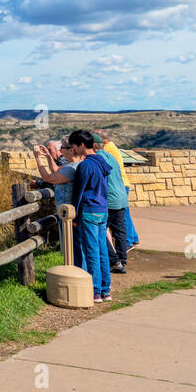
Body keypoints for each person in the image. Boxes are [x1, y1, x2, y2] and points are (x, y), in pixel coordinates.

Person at [69, 129, 112, 302]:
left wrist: (75, 215)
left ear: (81, 145)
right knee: (102, 250)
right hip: (102, 210)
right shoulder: (101, 161)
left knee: (91, 251)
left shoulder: (85, 165)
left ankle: (95, 290)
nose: (73, 150)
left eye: (74, 147)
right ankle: (105, 289)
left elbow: (78, 192)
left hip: (89, 210)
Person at [32, 139, 82, 267]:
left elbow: (49, 178)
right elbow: (56, 170)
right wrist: (48, 156)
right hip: (66, 211)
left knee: (71, 247)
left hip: (68, 213)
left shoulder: (72, 168)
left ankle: (74, 273)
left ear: (71, 150)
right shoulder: (70, 165)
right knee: (71, 246)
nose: (60, 151)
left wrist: (37, 158)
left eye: (62, 148)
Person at [97, 130, 140, 249]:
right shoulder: (111, 147)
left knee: (123, 216)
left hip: (118, 185)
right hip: (122, 185)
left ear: (102, 139)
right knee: (125, 214)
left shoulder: (106, 149)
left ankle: (128, 241)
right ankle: (133, 238)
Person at [94, 137, 130, 273]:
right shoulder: (111, 156)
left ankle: (114, 261)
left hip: (109, 199)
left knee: (99, 230)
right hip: (121, 197)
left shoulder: (96, 159)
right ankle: (122, 259)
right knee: (120, 230)